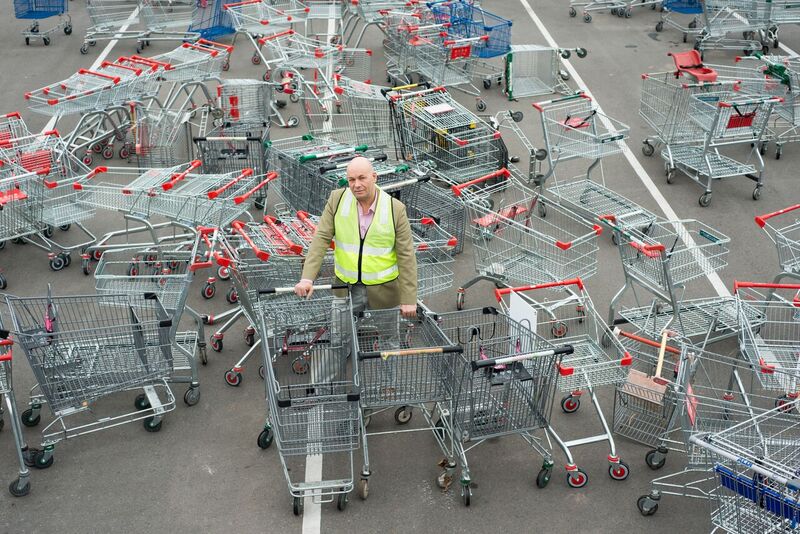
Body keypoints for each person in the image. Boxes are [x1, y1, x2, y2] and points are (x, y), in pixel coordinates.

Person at [293, 156, 418, 318]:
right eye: (351, 180)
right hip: (345, 289)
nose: (356, 185)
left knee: (388, 341)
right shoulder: (337, 200)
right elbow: (321, 239)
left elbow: (406, 256)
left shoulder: (395, 209)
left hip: (384, 292)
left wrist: (408, 299)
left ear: (374, 177)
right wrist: (307, 278)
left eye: (361, 178)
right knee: (340, 339)